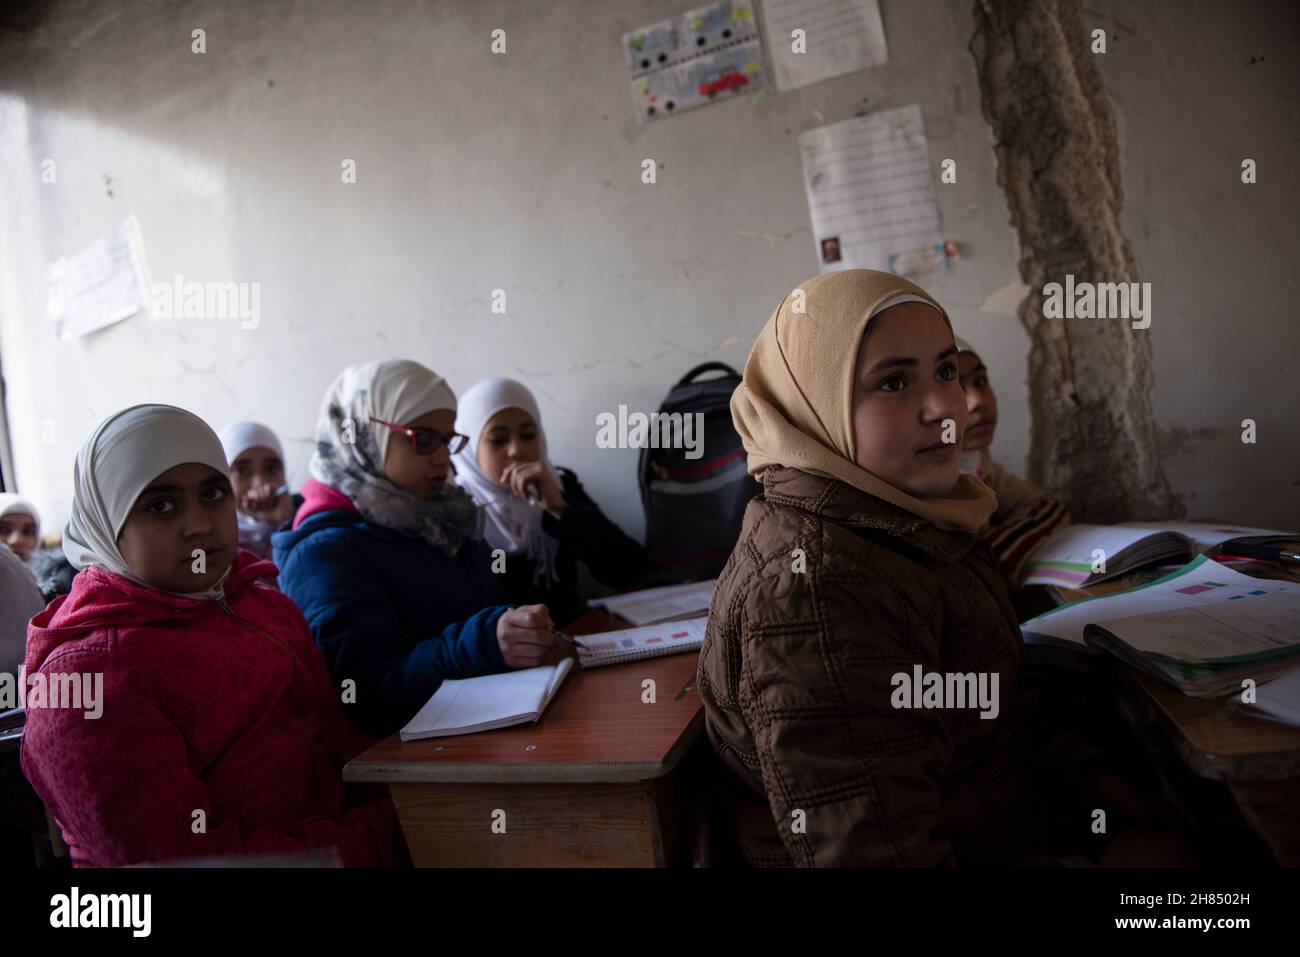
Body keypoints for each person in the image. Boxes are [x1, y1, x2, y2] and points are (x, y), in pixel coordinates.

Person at [20, 404, 407, 867]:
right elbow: (185, 860)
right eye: (160, 505)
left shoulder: (264, 606)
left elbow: (337, 742)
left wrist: (421, 801)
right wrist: (391, 833)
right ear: (105, 525)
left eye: (213, 493)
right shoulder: (87, 681)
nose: (200, 524)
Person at [274, 359, 559, 738]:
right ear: (363, 435)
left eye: (447, 439)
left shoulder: (445, 516)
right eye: (422, 439)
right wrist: (487, 642)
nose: (443, 457)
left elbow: (490, 607)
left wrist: (520, 631)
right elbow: (366, 694)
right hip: (410, 765)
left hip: (488, 730)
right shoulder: (324, 552)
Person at [451, 376, 645, 625]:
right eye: (498, 439)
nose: (516, 450)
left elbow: (628, 570)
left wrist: (560, 509)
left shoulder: (558, 485)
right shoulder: (455, 508)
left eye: (528, 435)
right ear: (470, 446)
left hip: (572, 641)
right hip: (503, 657)